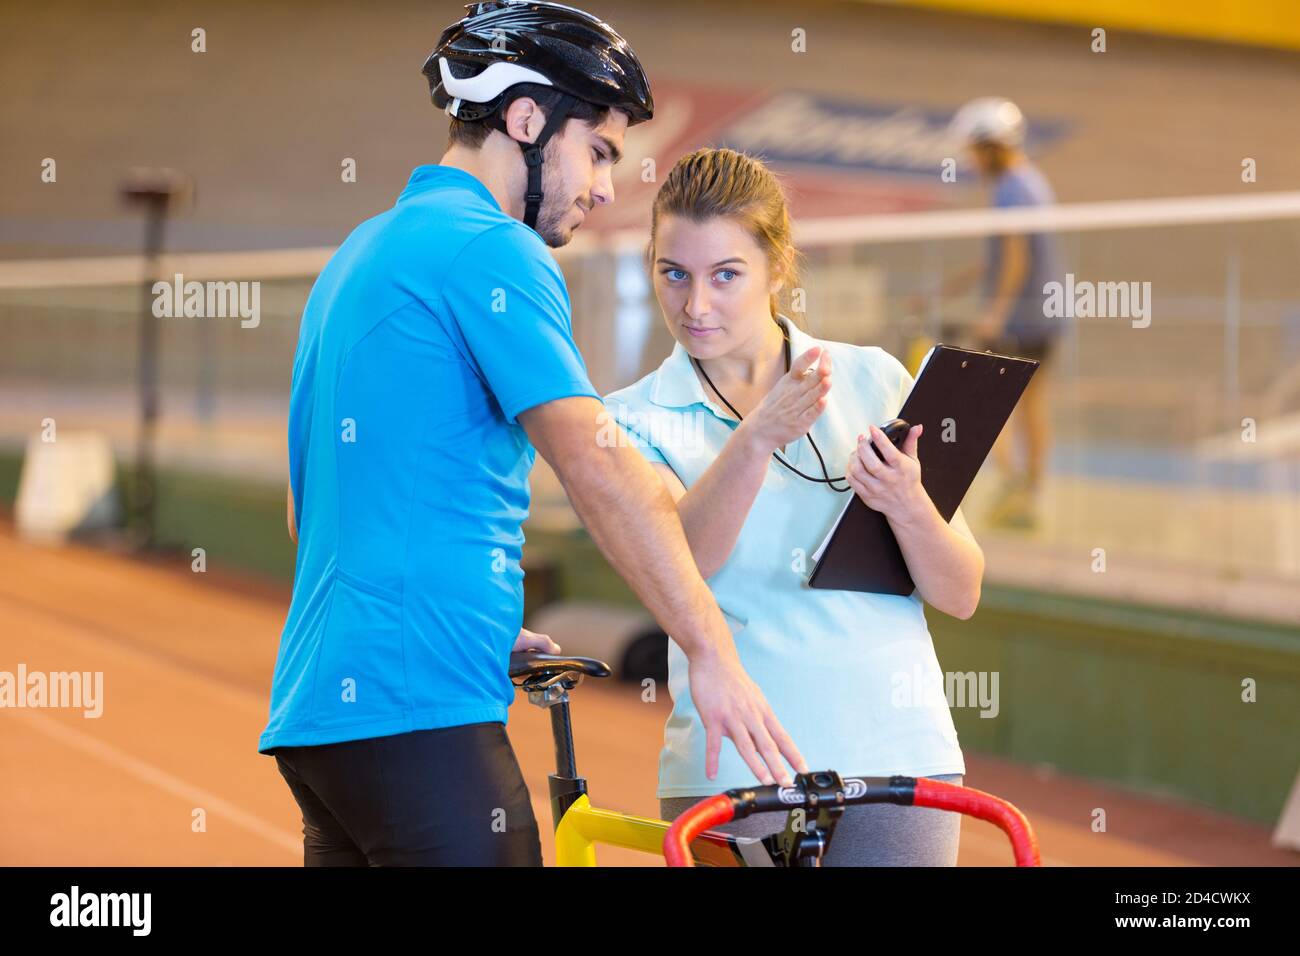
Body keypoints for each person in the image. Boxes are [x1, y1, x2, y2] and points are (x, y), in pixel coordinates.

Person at [261, 2, 806, 867]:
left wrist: (463, 606)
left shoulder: (358, 256)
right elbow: (596, 467)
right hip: (417, 709)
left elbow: (314, 509)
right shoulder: (492, 251)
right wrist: (710, 648)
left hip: (322, 718)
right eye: (597, 151)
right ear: (525, 120)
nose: (602, 187)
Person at [602, 147, 984, 865]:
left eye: (726, 275)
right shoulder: (628, 419)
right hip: (732, 769)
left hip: (899, 754)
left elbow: (960, 590)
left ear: (777, 269)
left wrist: (907, 503)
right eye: (673, 273)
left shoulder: (874, 377)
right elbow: (679, 567)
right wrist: (755, 441)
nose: (695, 304)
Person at [947, 96, 1064, 529]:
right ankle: (1027, 492)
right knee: (1032, 406)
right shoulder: (1031, 181)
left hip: (1021, 320)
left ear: (990, 146)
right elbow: (1000, 257)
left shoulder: (1011, 188)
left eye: (975, 152)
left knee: (988, 406)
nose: (973, 162)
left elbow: (1016, 258)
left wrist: (994, 314)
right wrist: (950, 288)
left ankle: (1013, 488)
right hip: (1041, 317)